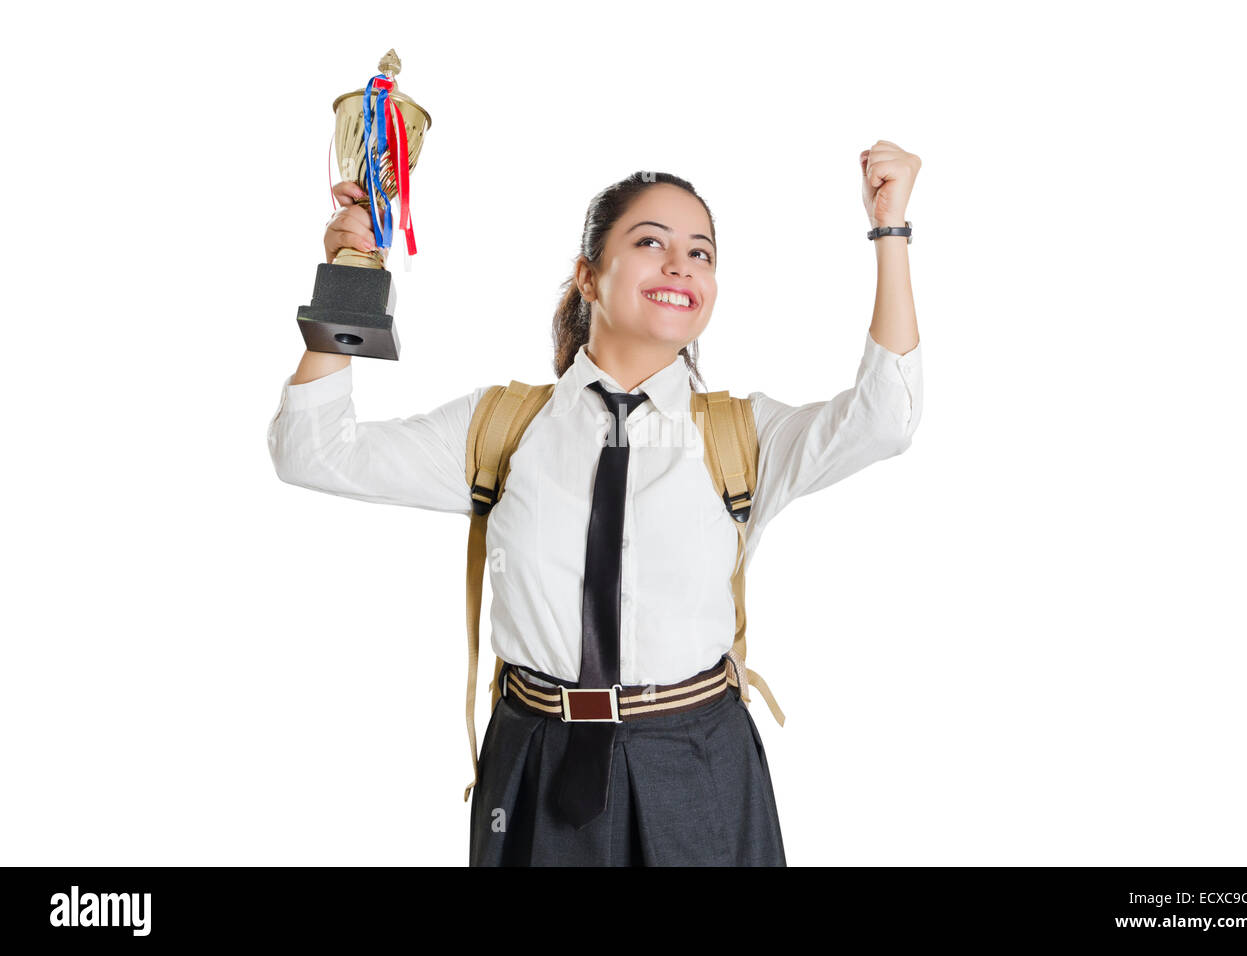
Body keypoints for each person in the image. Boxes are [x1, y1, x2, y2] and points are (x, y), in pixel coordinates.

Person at [267, 141, 924, 865]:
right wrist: (348, 282)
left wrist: (889, 233)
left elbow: (884, 419)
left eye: (701, 253)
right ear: (587, 275)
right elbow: (312, 452)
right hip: (538, 757)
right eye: (651, 242)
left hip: (700, 763)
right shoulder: (502, 427)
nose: (681, 265)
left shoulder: (742, 435)